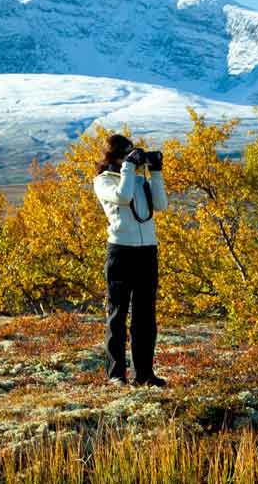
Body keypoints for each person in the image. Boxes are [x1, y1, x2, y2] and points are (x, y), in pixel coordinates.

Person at [93, 134, 168, 387]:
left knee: (145, 316)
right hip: (121, 251)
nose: (131, 159)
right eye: (126, 154)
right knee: (117, 314)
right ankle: (115, 374)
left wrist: (155, 173)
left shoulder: (137, 179)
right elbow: (123, 197)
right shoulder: (103, 181)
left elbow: (161, 204)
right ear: (112, 157)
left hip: (147, 250)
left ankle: (144, 373)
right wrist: (128, 167)